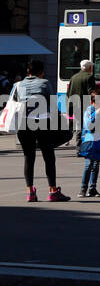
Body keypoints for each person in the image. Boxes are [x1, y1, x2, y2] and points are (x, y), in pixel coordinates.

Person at [13, 59, 70, 202]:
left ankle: (30, 192)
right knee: (48, 156)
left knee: (28, 157)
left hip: (23, 124)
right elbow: (52, 103)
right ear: (41, 72)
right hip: (42, 123)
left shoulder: (17, 85)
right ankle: (53, 191)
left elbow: (13, 104)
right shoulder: (44, 83)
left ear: (28, 71)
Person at [65, 58, 97, 131]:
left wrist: (69, 107)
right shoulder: (90, 77)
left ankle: (78, 140)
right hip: (86, 105)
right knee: (88, 123)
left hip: (75, 104)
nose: (92, 69)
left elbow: (68, 93)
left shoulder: (73, 77)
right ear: (89, 67)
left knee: (79, 123)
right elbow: (92, 92)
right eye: (91, 67)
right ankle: (85, 140)